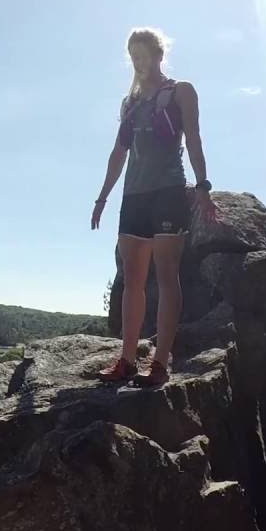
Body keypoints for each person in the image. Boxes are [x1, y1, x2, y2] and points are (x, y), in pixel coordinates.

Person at [90, 27, 218, 387]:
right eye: (133, 57)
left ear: (159, 55)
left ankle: (160, 363)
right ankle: (127, 361)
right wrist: (103, 197)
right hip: (135, 196)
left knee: (165, 275)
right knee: (132, 279)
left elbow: (193, 138)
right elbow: (119, 154)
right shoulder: (130, 104)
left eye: (143, 55)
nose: (138, 63)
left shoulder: (180, 91)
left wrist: (204, 185)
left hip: (168, 191)